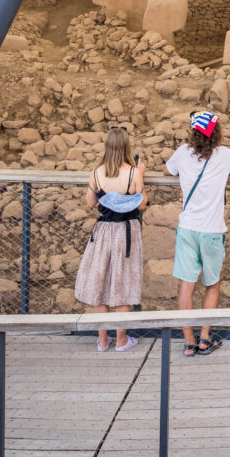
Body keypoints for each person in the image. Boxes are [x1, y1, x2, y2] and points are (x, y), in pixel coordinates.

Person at [165, 111, 230, 357]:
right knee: (212, 284)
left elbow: (167, 171)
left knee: (186, 284)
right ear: (216, 133)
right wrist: (229, 173)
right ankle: (205, 337)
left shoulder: (182, 153)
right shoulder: (224, 156)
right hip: (213, 231)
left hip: (188, 229)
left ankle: (188, 342)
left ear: (192, 132)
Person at [75, 127, 147, 352]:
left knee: (101, 284)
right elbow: (142, 203)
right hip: (126, 232)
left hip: (104, 232)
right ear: (126, 147)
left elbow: (89, 202)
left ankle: (103, 340)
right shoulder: (133, 173)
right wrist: (141, 173)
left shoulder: (96, 172)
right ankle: (122, 340)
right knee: (123, 284)